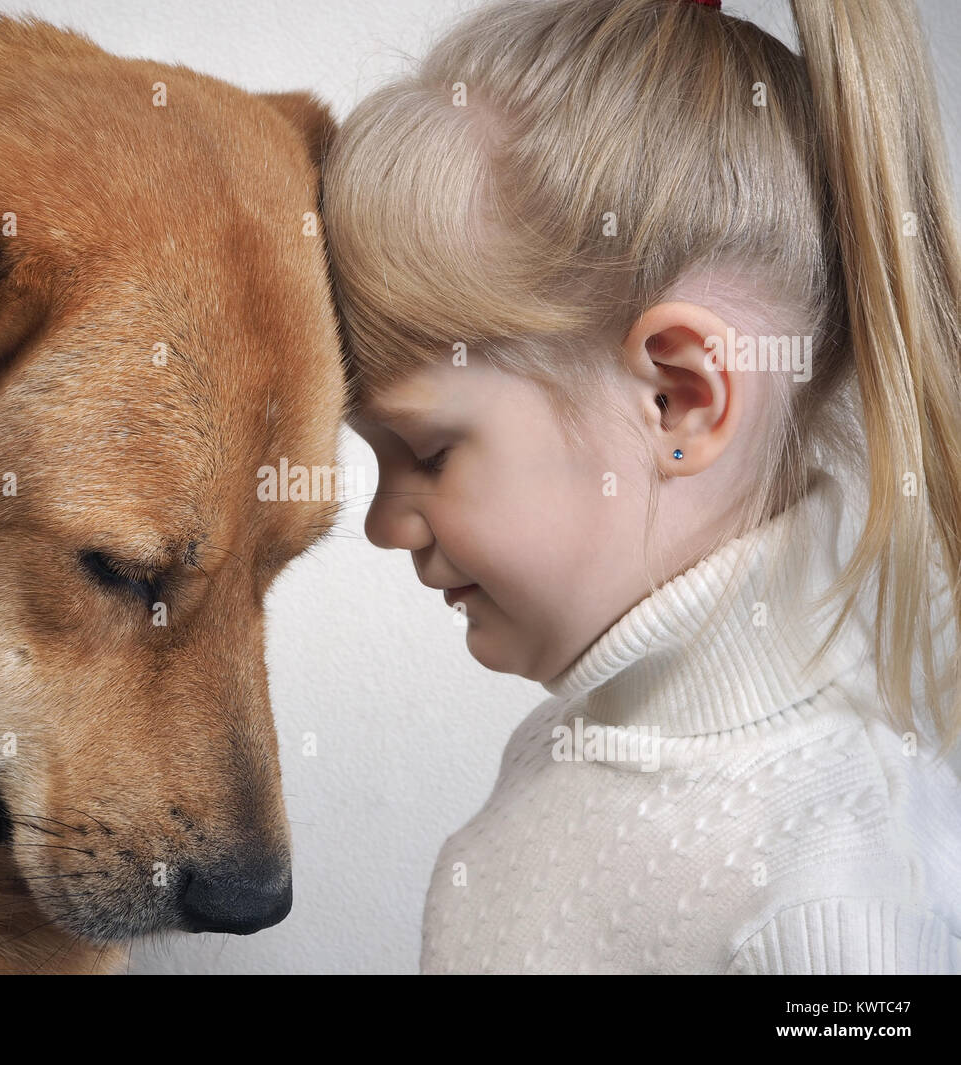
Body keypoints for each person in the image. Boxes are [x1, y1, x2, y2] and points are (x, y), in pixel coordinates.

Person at [323, 0, 961, 973]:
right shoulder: (569, 746)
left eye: (429, 451)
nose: (380, 524)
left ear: (676, 399)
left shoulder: (838, 900)